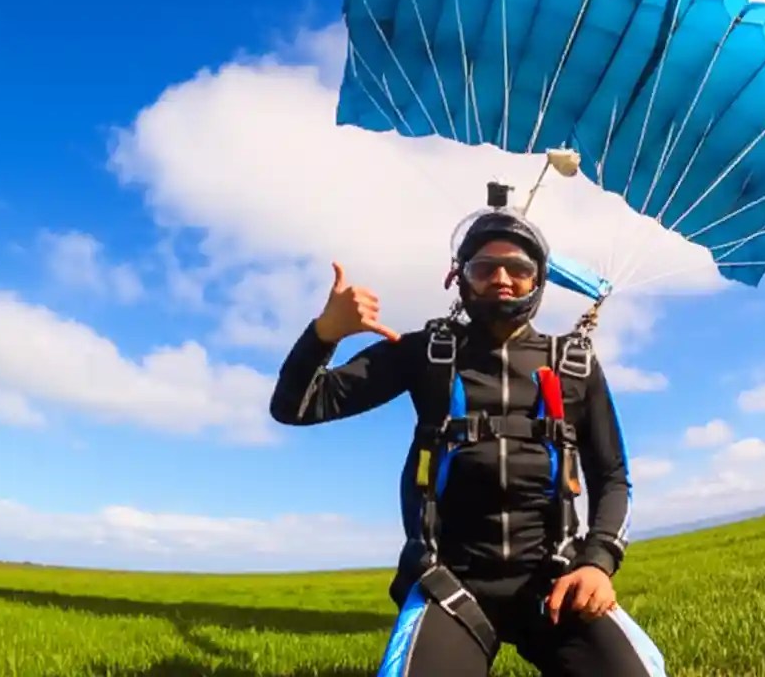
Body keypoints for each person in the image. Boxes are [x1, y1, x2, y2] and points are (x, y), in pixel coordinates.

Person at [268, 190, 666, 676]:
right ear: (460, 279)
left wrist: (598, 562)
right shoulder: (425, 353)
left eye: (517, 267)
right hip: (450, 583)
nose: (501, 278)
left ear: (538, 279)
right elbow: (296, 407)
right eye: (483, 268)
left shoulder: (574, 366)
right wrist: (324, 334)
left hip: (555, 578)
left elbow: (612, 475)